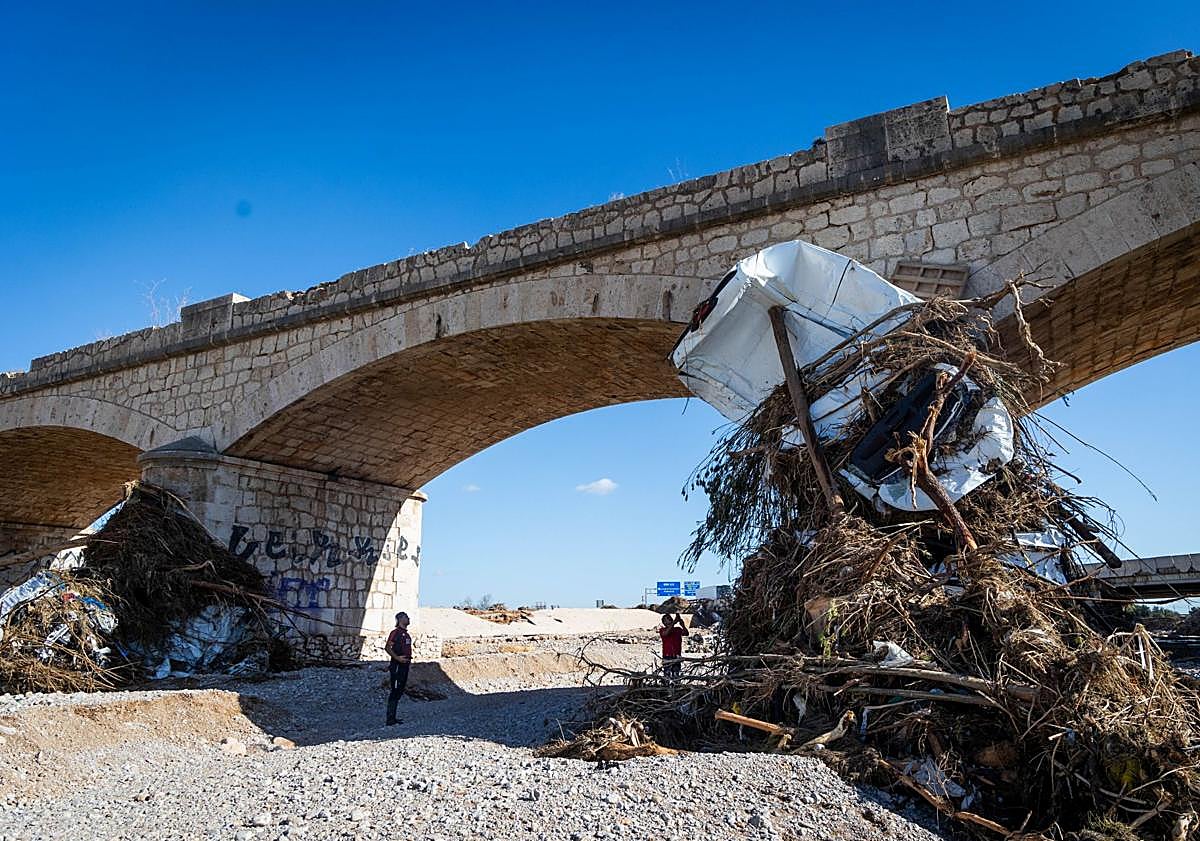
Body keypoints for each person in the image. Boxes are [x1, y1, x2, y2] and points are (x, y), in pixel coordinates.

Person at [384, 611, 413, 726]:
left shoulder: (406, 634)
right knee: (395, 691)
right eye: (406, 617)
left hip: (405, 666)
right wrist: (397, 658)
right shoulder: (395, 633)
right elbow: (387, 647)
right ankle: (390, 719)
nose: (409, 618)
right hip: (397, 666)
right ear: (401, 619)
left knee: (400, 690)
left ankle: (394, 717)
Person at [658, 612, 688, 680]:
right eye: (667, 619)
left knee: (676, 675)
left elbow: (686, 633)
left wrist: (683, 625)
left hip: (677, 655)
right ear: (664, 622)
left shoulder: (678, 629)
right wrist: (674, 622)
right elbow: (666, 633)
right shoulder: (662, 630)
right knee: (667, 675)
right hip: (667, 655)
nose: (670, 620)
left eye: (670, 618)